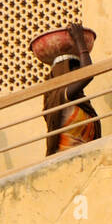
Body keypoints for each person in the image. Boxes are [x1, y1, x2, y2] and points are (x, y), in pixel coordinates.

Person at [42, 22, 101, 156]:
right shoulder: (60, 97)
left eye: (77, 68)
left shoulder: (82, 103)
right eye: (73, 68)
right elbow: (87, 74)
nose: (77, 73)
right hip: (67, 161)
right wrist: (80, 41)